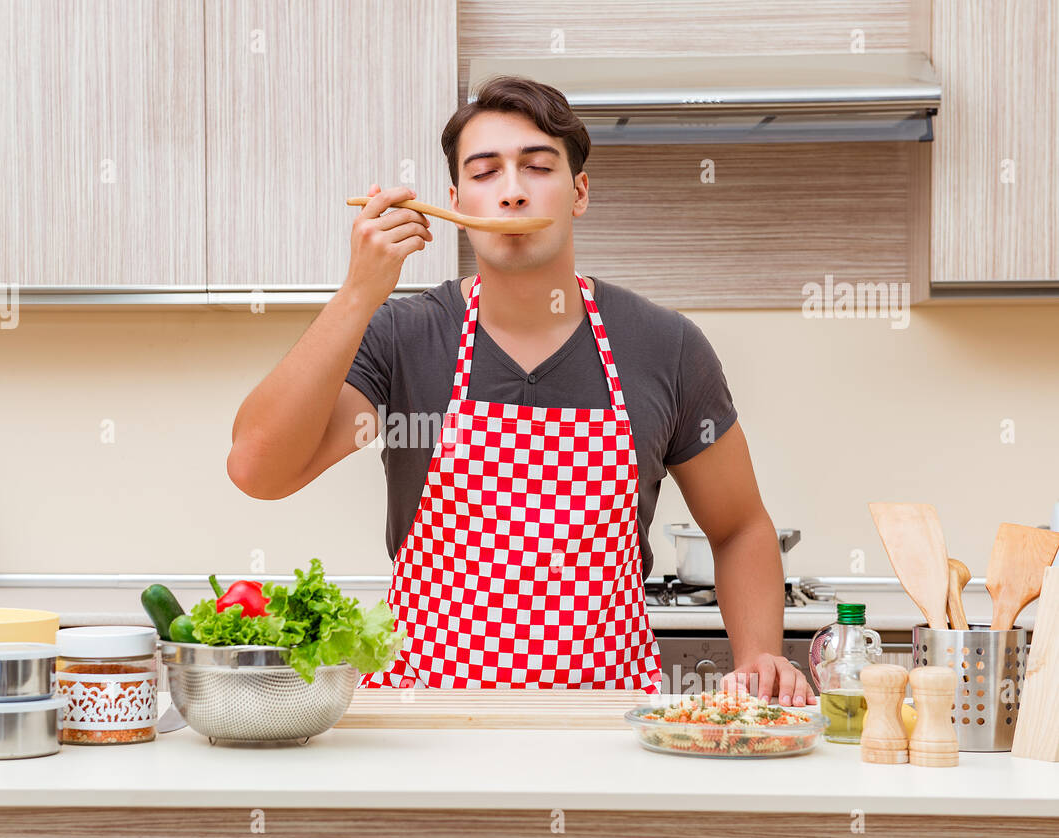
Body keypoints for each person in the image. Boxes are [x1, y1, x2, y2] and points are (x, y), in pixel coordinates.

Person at [228, 75, 815, 705]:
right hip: (423, 724)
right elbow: (259, 469)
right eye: (484, 174)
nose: (511, 192)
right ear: (453, 201)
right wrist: (356, 295)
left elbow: (740, 528)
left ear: (579, 192)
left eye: (537, 167)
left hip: (604, 726)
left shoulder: (664, 345)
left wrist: (760, 654)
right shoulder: (403, 337)